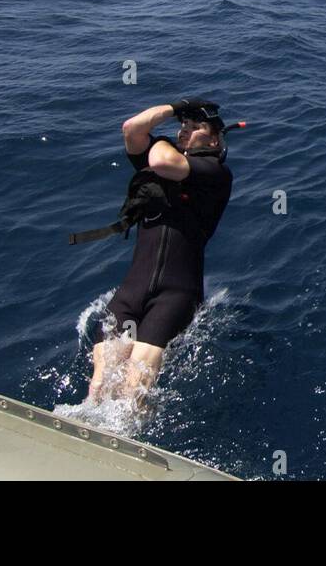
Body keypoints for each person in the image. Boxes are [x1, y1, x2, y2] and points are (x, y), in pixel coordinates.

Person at [85, 98, 234, 408]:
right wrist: (175, 106)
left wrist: (163, 140)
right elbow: (132, 129)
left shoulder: (215, 173)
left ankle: (130, 448)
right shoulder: (159, 159)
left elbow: (164, 162)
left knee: (133, 387)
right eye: (183, 126)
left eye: (195, 128)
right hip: (133, 289)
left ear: (215, 140)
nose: (184, 132)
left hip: (174, 293)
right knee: (100, 380)